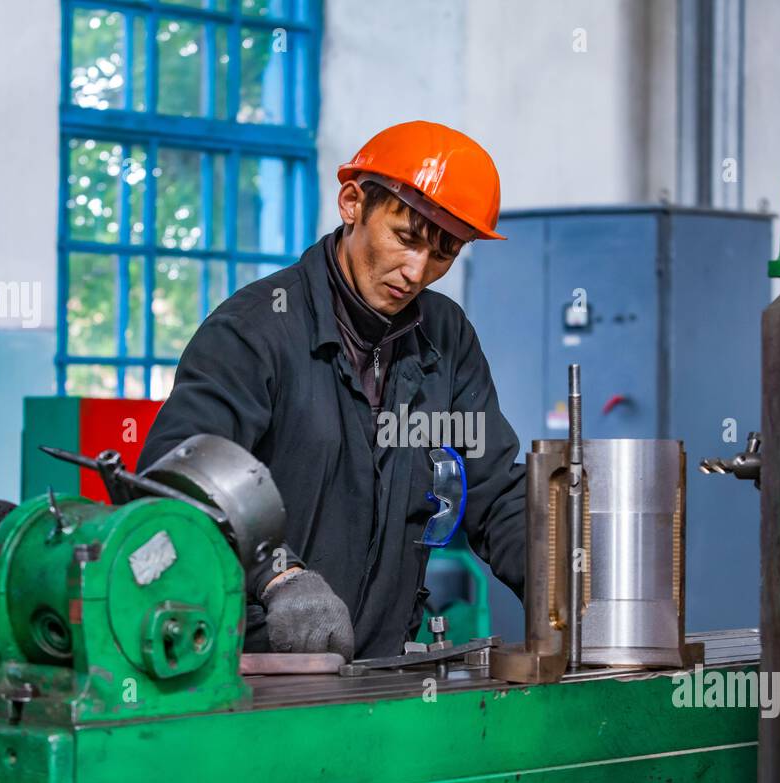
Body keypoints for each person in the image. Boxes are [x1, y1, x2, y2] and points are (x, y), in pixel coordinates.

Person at [139, 121, 525, 662]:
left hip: (381, 671)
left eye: (444, 253)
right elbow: (175, 479)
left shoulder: (448, 337)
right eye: (405, 237)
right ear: (351, 203)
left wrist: (575, 583)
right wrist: (279, 575)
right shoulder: (256, 330)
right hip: (256, 670)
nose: (417, 271)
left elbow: (498, 493)